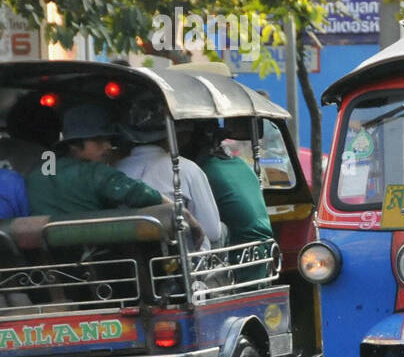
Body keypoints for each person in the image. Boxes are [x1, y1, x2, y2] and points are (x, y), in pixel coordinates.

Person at [115, 98, 222, 251]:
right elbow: (212, 232)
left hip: (132, 262)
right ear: (170, 134)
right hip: (187, 263)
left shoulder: (115, 171)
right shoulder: (188, 169)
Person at [25, 104, 166, 217]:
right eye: (98, 140)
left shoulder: (35, 174)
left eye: (109, 140)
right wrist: (178, 211)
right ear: (74, 144)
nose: (108, 146)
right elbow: (141, 194)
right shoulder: (95, 172)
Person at [184, 121, 273, 250]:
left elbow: (211, 231)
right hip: (263, 249)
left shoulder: (203, 171)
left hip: (239, 255)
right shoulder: (238, 164)